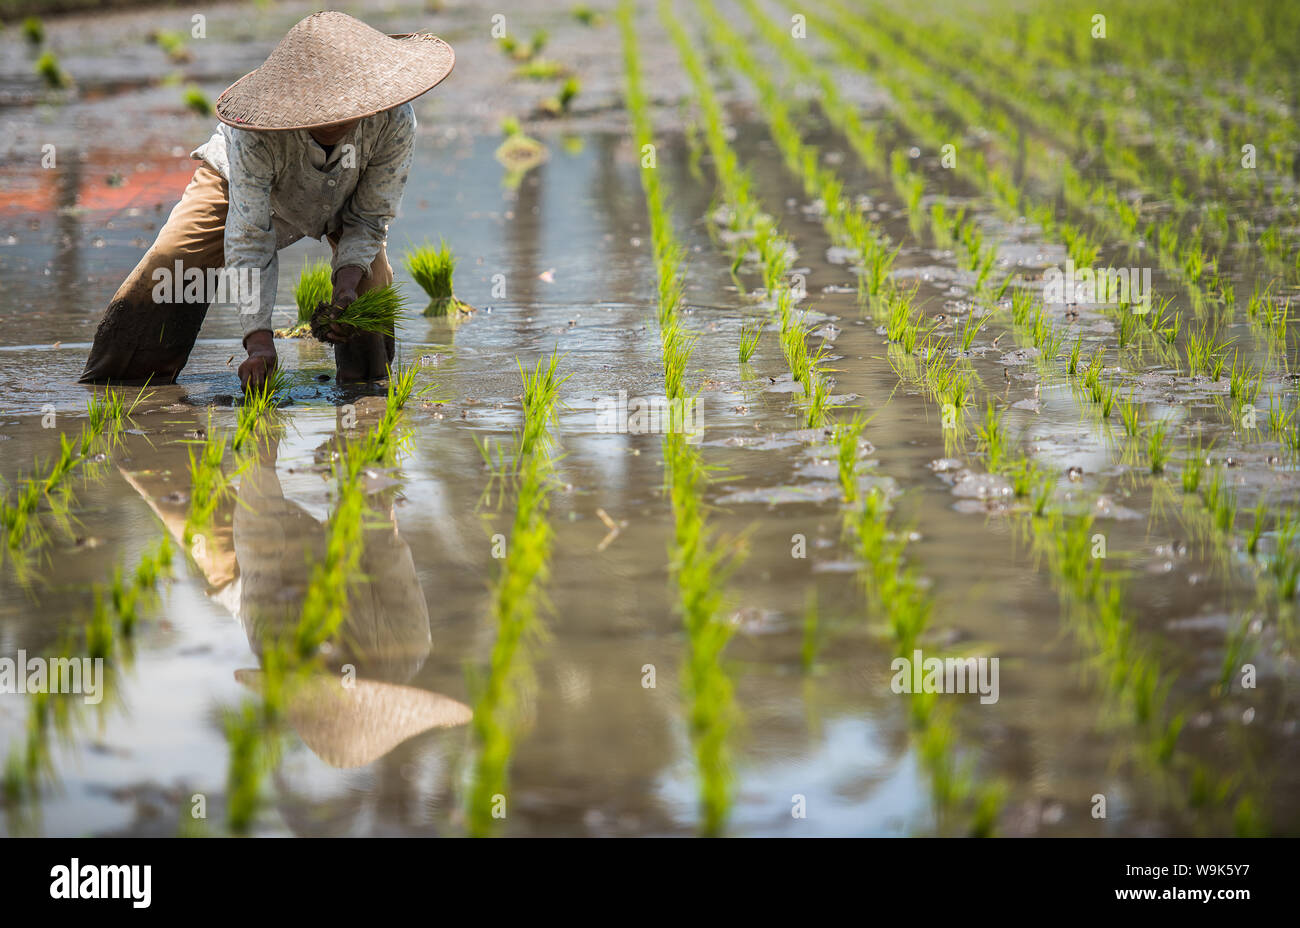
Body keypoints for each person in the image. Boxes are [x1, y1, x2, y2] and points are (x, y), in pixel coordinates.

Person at [78, 11, 455, 389]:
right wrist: (259, 343)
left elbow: (370, 218)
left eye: (351, 105)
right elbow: (250, 239)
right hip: (236, 184)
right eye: (324, 109)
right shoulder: (256, 133)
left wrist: (346, 282)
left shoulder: (393, 120)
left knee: (368, 291)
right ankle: (124, 386)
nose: (339, 118)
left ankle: (363, 392)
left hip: (345, 196)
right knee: (173, 267)